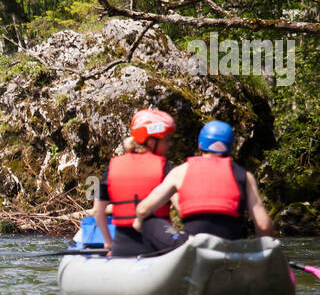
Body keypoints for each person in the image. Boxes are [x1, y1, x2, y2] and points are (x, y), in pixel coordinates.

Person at [134, 120, 274, 240]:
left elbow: (143, 209)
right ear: (230, 148)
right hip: (231, 247)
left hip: (195, 247)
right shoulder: (245, 176)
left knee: (150, 222)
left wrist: (139, 222)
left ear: (200, 145)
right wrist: (265, 252)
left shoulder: (180, 171)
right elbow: (264, 226)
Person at [91, 109, 184, 257]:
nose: (170, 144)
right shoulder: (164, 166)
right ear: (151, 141)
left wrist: (109, 243)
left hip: (121, 249)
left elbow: (97, 210)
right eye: (166, 140)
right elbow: (180, 205)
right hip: (157, 249)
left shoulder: (112, 166)